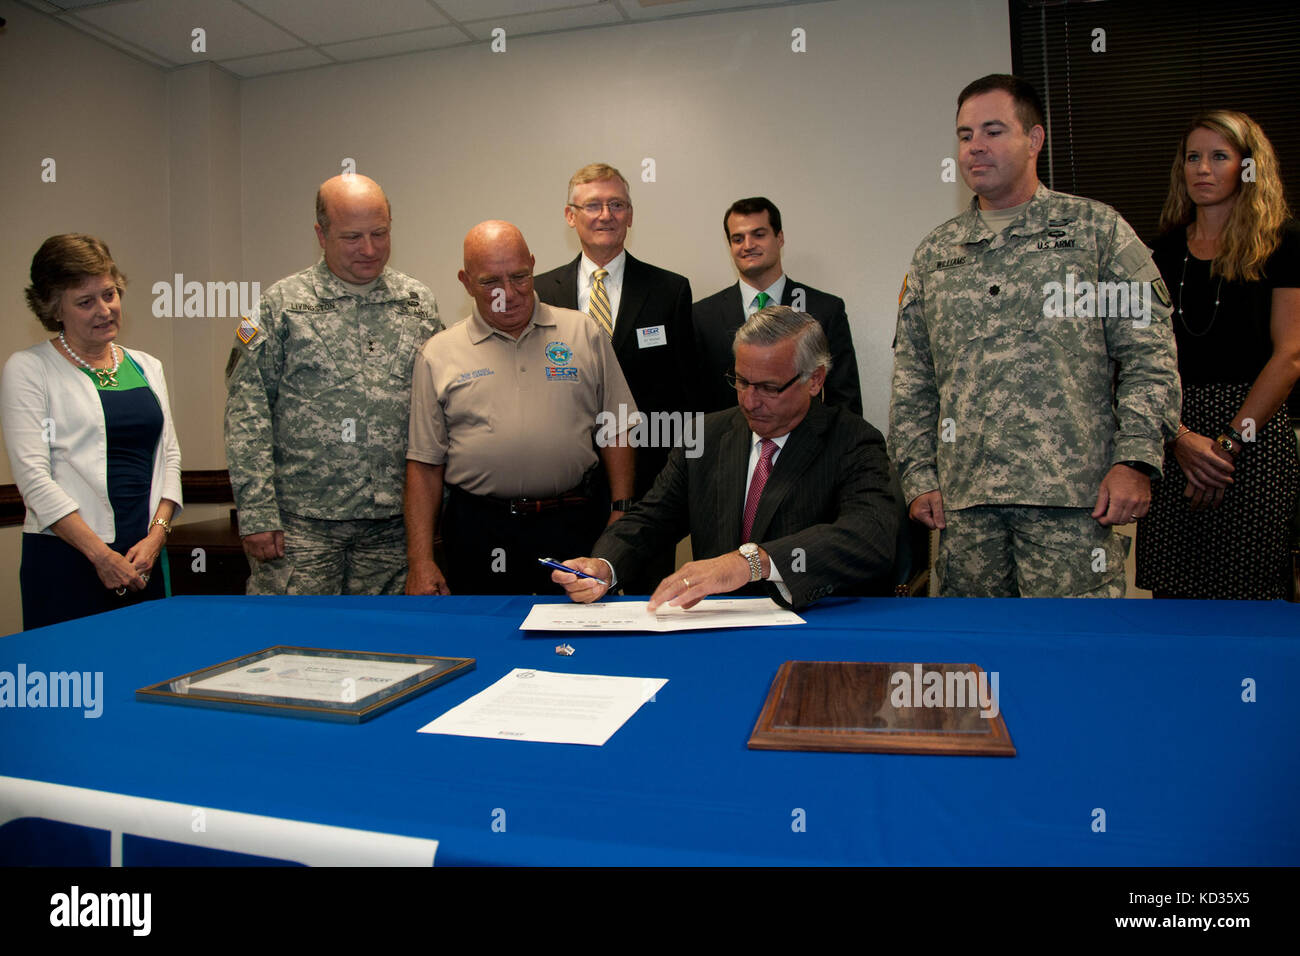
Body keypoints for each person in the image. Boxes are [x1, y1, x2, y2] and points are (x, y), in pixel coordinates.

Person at [889, 74, 1181, 597]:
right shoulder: (936, 252)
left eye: (994, 130)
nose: (975, 145)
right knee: (974, 662)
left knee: (1077, 657)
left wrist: (1134, 459)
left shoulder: (1096, 231)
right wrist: (918, 475)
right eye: (964, 134)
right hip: (966, 509)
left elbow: (1149, 357)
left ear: (1035, 139)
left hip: (1073, 503)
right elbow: (914, 378)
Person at [553, 306, 898, 610]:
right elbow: (653, 518)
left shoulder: (853, 441)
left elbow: (870, 536)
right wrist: (605, 564)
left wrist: (751, 562)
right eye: (742, 381)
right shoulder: (706, 435)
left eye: (768, 387)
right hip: (718, 625)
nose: (749, 401)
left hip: (812, 624)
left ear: (814, 380)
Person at [224, 174, 441, 595]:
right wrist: (256, 512)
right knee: (294, 646)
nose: (370, 249)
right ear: (321, 235)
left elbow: (438, 409)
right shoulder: (280, 305)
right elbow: (246, 414)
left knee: (386, 647)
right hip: (302, 525)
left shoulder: (418, 303)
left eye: (380, 233)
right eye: (352, 237)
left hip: (395, 530)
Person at [405, 220, 638, 595]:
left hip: (573, 522)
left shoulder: (583, 333)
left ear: (533, 265)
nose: (508, 294)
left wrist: (621, 509)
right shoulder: (439, 354)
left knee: (579, 639)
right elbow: (424, 463)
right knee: (484, 637)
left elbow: (618, 425)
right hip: (480, 528)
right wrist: (420, 560)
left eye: (519, 277)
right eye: (490, 282)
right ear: (465, 281)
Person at [1136, 111, 1300, 600]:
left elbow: (1290, 354)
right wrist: (1182, 440)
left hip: (1254, 433)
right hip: (1175, 437)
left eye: (1219, 157)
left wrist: (1227, 446)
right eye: (1193, 157)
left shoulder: (1283, 243)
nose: (1202, 169)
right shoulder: (1158, 252)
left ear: (1249, 167)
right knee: (1174, 605)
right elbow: (1135, 362)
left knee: (1249, 605)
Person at [2, 235, 182, 629]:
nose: (104, 310)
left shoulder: (147, 366)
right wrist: (101, 556)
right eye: (85, 302)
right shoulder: (29, 369)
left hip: (143, 559)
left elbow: (169, 457)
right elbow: (33, 479)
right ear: (54, 308)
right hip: (66, 560)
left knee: (146, 673)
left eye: (110, 294)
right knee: (74, 684)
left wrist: (157, 537)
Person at [534, 162, 697, 592]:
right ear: (571, 216)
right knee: (571, 594)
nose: (606, 214)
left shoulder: (670, 290)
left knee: (645, 603)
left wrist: (678, 482)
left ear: (630, 214)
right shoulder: (540, 294)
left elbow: (685, 394)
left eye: (617, 204)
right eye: (593, 205)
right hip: (565, 487)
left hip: (649, 489)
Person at [694, 197, 863, 415]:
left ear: (779, 238)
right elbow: (696, 400)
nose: (748, 245)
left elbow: (845, 403)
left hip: (807, 446)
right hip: (729, 445)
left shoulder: (825, 311)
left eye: (759, 234)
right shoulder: (701, 316)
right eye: (738, 238)